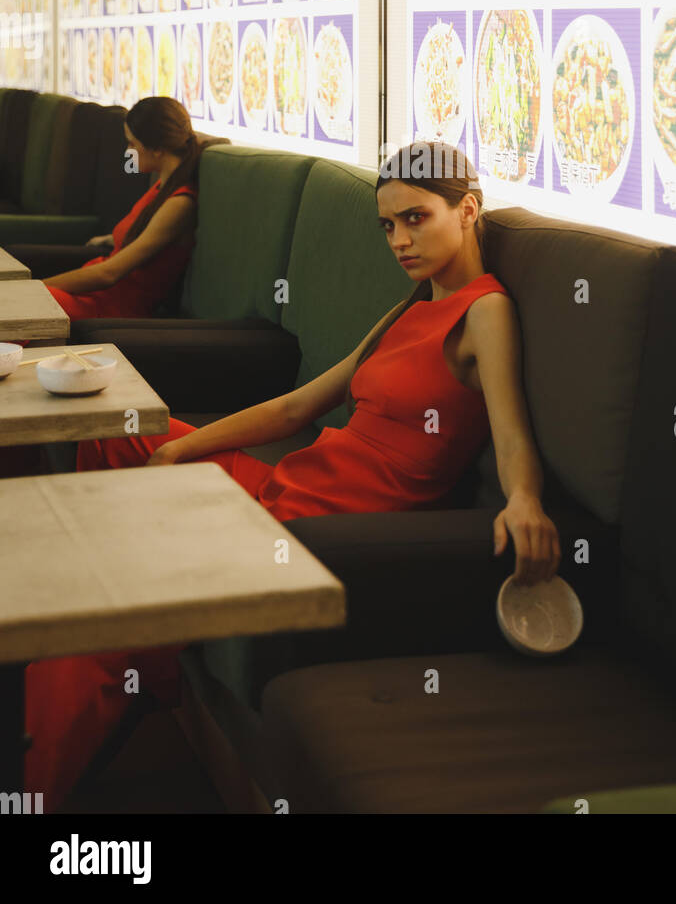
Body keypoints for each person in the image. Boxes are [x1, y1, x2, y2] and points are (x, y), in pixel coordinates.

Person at [24, 141, 561, 812]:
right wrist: (178, 449)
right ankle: (109, 587)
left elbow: (512, 436)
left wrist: (525, 499)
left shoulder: (485, 312)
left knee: (107, 615)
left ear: (469, 210)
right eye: (387, 225)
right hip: (292, 479)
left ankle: (33, 781)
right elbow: (296, 408)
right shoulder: (409, 306)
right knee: (123, 431)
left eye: (416, 219)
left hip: (322, 523)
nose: (399, 240)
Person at [11, 97, 201, 320]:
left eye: (132, 144)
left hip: (113, 305)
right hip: (98, 293)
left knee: (16, 303)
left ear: (157, 148)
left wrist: (34, 289)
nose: (128, 151)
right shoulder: (162, 187)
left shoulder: (179, 204)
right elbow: (146, 235)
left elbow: (109, 274)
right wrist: (111, 238)